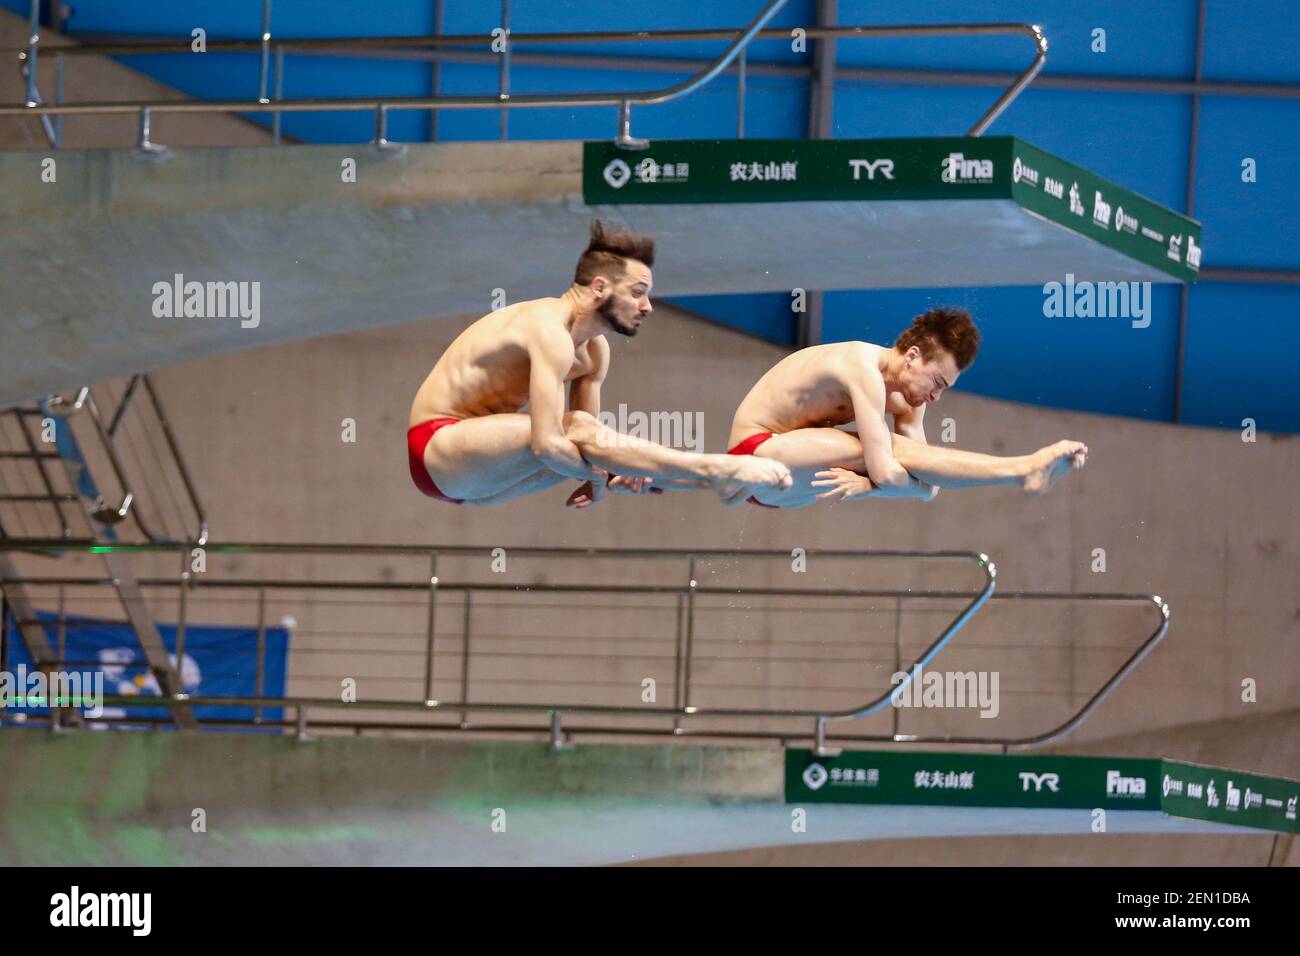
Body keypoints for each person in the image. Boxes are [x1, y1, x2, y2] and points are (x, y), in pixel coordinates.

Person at [407, 220, 792, 508]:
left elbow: (591, 444)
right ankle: (715, 470)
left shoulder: (594, 352)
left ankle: (713, 485)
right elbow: (548, 444)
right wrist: (599, 474)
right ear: (600, 288)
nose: (648, 306)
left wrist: (610, 474)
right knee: (571, 432)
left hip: (479, 483)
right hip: (437, 447)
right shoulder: (547, 330)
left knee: (592, 441)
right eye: (638, 293)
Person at [724, 307, 1087, 509]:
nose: (936, 397)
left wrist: (886, 485)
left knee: (898, 452)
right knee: (888, 447)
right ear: (913, 356)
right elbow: (893, 475)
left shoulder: (907, 400)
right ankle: (1022, 468)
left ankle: (1023, 470)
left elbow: (931, 480)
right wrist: (880, 486)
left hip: (790, 484)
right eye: (937, 383)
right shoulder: (859, 366)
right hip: (753, 457)